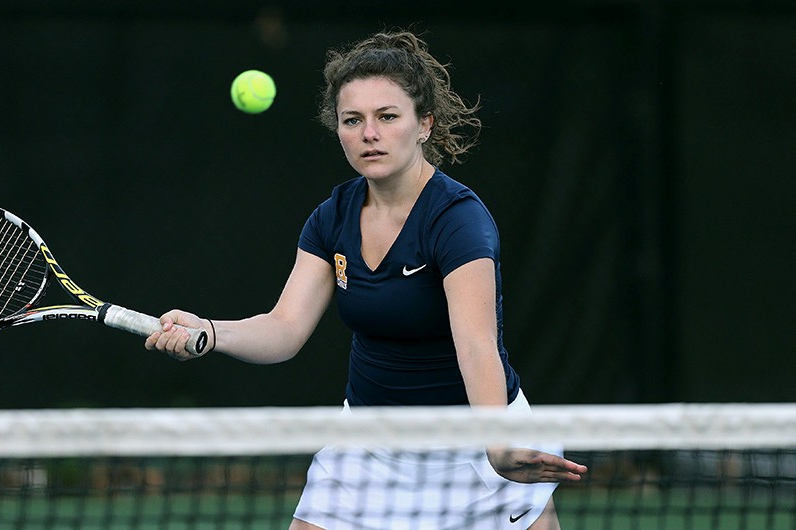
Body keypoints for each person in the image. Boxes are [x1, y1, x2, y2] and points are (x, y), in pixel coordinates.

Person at [146, 29, 587, 530]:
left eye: (387, 117)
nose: (368, 134)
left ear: (424, 124)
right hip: (369, 449)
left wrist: (498, 443)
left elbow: (477, 343)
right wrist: (209, 331)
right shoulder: (332, 218)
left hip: (473, 444)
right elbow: (285, 328)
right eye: (352, 120)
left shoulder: (457, 218)